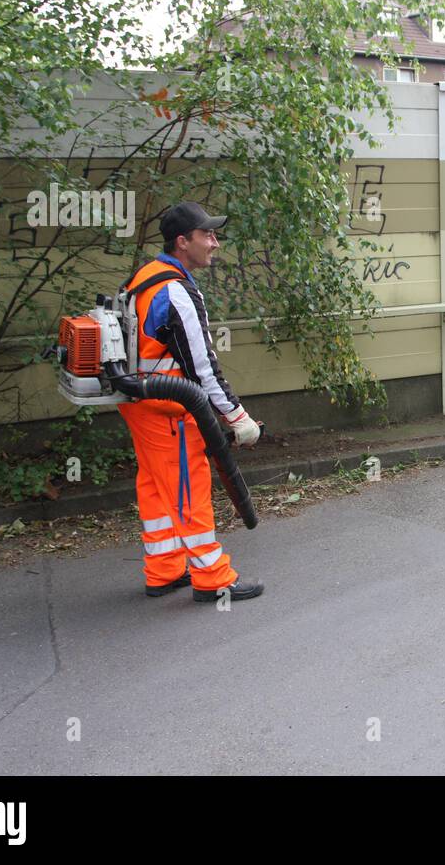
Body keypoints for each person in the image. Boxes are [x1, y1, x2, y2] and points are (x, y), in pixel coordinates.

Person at [119, 202, 265, 600]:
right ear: (183, 242)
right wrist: (238, 418)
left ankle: (164, 569)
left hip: (141, 404)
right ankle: (212, 579)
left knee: (155, 486)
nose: (215, 243)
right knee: (187, 490)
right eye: (208, 235)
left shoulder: (144, 277)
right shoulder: (175, 290)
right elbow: (202, 369)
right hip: (170, 409)